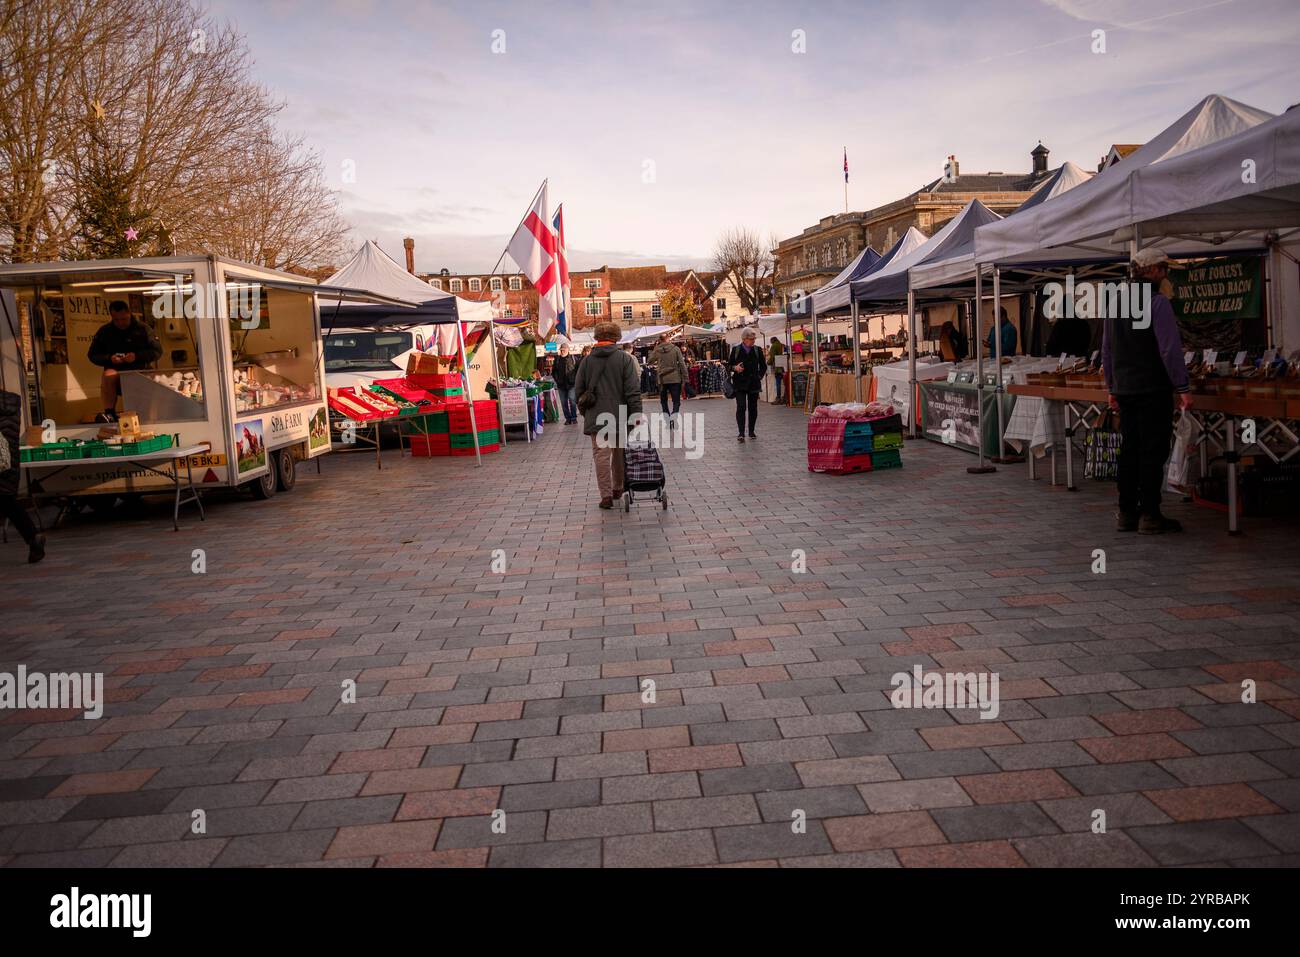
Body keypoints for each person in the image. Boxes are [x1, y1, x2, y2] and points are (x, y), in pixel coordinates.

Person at [1103, 248, 1191, 535]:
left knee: (1130, 449)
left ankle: (1127, 512)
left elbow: (1107, 350)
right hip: (1153, 387)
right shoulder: (1158, 303)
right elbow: (1169, 349)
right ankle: (1150, 514)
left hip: (1126, 387)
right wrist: (1182, 386)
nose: (1166, 274)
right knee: (1152, 451)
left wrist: (1112, 387)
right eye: (1163, 269)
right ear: (1152, 271)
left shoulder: (1115, 303)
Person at [575, 322, 642, 509]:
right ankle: (617, 488)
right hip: (619, 415)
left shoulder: (586, 362)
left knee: (601, 455)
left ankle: (605, 495)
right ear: (617, 337)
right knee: (619, 454)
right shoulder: (624, 359)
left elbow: (579, 391)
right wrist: (636, 413)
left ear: (596, 337)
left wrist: (585, 412)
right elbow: (632, 390)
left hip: (596, 415)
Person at [88, 300, 161, 422]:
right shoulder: (105, 331)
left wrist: (137, 356)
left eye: (124, 319)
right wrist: (109, 358)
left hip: (140, 369)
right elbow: (92, 355)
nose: (121, 323)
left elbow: (157, 351)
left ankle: (148, 413)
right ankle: (110, 413)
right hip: (116, 371)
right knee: (108, 375)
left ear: (129, 314)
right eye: (117, 320)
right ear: (112, 317)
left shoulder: (143, 329)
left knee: (151, 378)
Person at [1, 389, 45, 563]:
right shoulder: (11, 401)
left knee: (7, 503)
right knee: (8, 502)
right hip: (8, 460)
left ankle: (33, 537)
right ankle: (33, 538)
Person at [728, 328, 767, 441]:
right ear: (744, 339)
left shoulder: (757, 350)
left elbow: (763, 366)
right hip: (739, 383)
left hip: (754, 384)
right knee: (741, 407)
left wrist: (759, 376)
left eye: (754, 339)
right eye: (751, 339)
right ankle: (741, 433)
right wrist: (735, 368)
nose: (753, 341)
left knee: (753, 408)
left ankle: (751, 431)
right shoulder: (736, 350)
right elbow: (728, 365)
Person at [648, 332, 688, 426]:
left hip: (662, 380)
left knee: (664, 402)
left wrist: (655, 348)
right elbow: (682, 364)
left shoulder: (657, 350)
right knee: (676, 401)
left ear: (660, 340)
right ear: (668, 338)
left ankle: (668, 421)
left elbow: (649, 361)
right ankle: (673, 418)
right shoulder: (675, 349)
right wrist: (685, 377)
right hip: (675, 378)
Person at [551, 343, 579, 425]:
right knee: (563, 403)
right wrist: (557, 380)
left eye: (563, 350)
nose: (562, 351)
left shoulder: (574, 359)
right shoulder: (557, 360)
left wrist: (575, 380)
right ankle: (568, 418)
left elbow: (578, 371)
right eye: (561, 350)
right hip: (561, 385)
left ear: (568, 349)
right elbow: (554, 372)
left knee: (572, 401)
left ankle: (574, 417)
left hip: (571, 384)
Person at [767, 336, 786, 402]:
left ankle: (778, 397)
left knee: (778, 383)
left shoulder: (773, 346)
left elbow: (772, 357)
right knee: (783, 383)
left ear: (772, 341)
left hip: (777, 367)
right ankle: (784, 396)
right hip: (782, 365)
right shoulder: (780, 345)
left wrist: (768, 363)